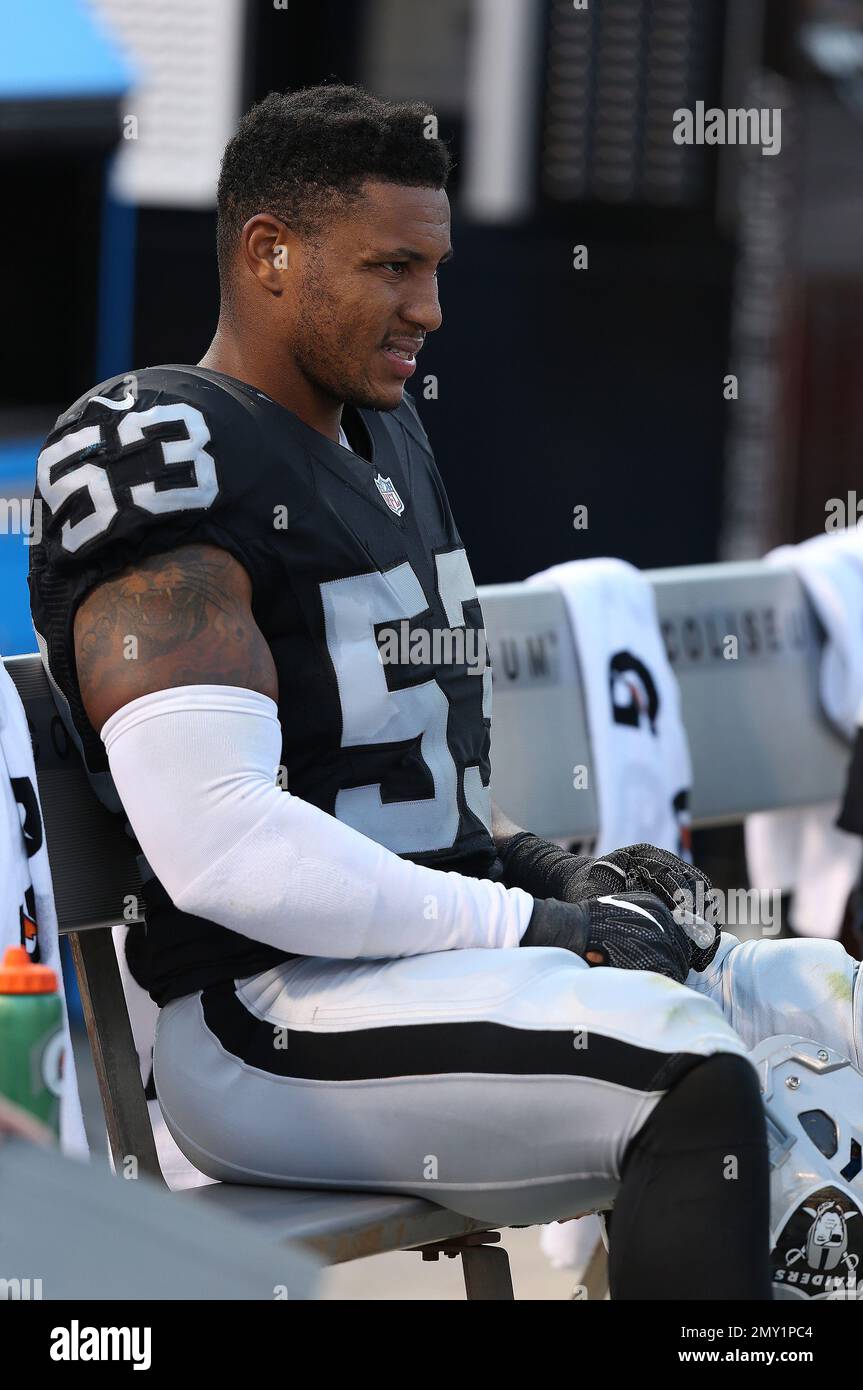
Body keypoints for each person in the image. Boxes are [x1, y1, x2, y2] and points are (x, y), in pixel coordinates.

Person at [28, 84, 856, 1300]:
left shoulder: (385, 435)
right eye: (391, 267)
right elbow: (220, 846)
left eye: (437, 266)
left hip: (430, 969)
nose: (430, 307)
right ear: (269, 253)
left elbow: (407, 796)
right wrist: (537, 928)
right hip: (268, 1011)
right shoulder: (165, 448)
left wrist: (549, 869)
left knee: (821, 1002)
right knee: (686, 1067)